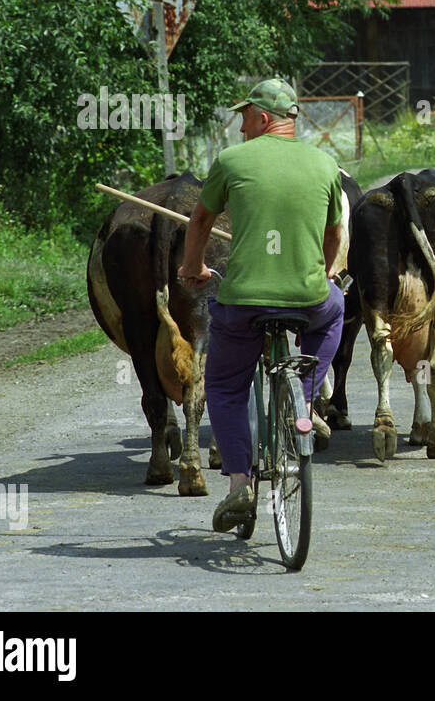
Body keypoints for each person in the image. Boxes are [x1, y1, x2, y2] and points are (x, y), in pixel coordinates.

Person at [178, 77, 346, 532]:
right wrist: (325, 271)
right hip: (308, 298)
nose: (240, 127)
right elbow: (334, 235)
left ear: (264, 117)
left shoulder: (231, 161)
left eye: (244, 116)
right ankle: (306, 405)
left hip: (243, 304)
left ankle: (238, 486)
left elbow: (199, 221)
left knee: (228, 385)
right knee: (334, 308)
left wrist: (193, 268)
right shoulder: (325, 164)